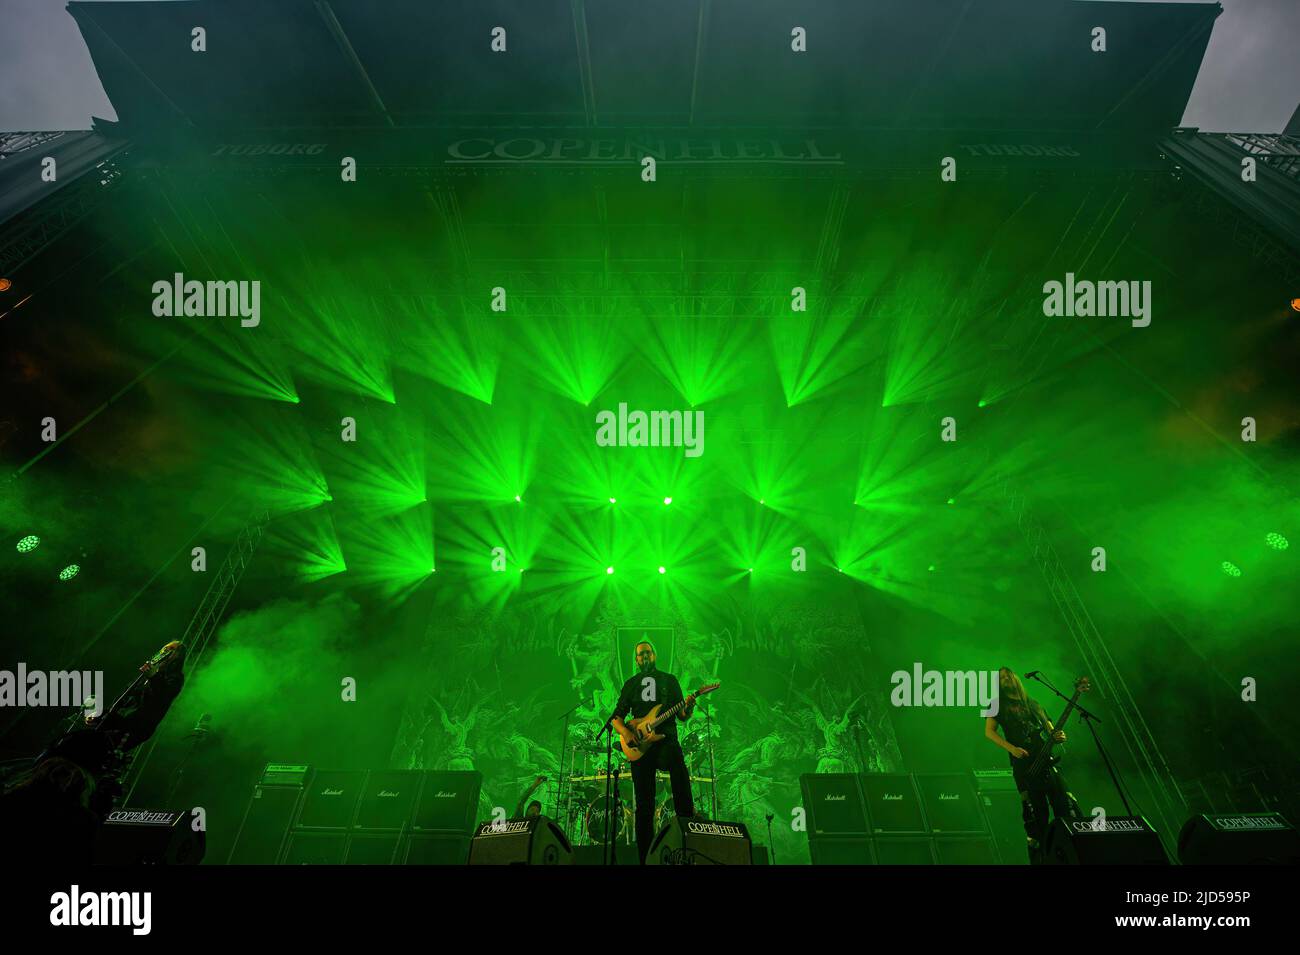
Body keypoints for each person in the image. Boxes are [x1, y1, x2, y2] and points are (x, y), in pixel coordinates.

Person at [984, 666, 1081, 863]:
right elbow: (989, 732)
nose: (1006, 680)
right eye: (1002, 678)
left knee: (1068, 807)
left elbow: (1052, 730)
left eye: (1008, 676)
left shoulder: (1034, 704)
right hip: (1024, 765)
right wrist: (1011, 749)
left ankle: (1076, 852)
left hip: (1048, 761)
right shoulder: (995, 704)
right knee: (1035, 817)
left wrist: (1059, 736)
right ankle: (1043, 859)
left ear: (1016, 678)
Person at [611, 641, 696, 864]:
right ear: (636, 660)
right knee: (644, 804)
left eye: (648, 652)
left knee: (677, 762)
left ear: (654, 655)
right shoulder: (630, 684)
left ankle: (688, 827)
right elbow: (616, 718)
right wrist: (627, 735)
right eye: (640, 654)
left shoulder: (669, 681)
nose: (645, 656)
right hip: (640, 746)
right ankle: (645, 859)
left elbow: (682, 715)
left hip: (665, 740)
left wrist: (689, 707)